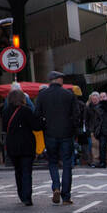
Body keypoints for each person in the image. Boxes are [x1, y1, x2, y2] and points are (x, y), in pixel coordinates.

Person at [36, 71, 81, 205]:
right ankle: (66, 197)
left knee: (53, 162)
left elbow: (37, 114)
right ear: (59, 80)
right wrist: (73, 129)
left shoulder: (42, 95)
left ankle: (56, 186)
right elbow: (76, 115)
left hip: (50, 133)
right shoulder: (68, 94)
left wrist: (44, 126)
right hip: (66, 134)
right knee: (67, 164)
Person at [2, 89, 44, 206]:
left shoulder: (5, 111)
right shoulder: (26, 110)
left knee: (18, 171)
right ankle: (27, 197)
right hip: (26, 144)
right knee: (27, 171)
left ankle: (21, 194)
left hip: (12, 145)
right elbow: (36, 127)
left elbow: (4, 128)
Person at [83, 92, 102, 167]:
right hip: (92, 129)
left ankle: (106, 160)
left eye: (95, 99)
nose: (94, 100)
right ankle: (95, 161)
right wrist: (87, 128)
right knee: (94, 146)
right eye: (93, 99)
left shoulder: (101, 106)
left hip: (101, 128)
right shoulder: (88, 107)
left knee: (104, 145)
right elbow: (86, 119)